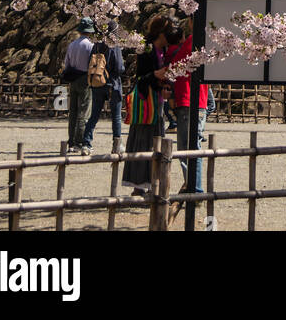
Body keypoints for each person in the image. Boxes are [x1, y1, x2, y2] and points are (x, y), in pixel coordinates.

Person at [121, 15, 173, 196]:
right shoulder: (146, 49)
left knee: (158, 142)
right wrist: (156, 75)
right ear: (161, 32)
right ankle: (139, 185)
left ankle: (154, 184)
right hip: (145, 104)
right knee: (143, 142)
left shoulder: (165, 50)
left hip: (158, 102)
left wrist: (165, 87)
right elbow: (140, 79)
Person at [167, 17, 209, 196]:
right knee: (193, 146)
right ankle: (192, 185)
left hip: (187, 101)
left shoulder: (193, 41)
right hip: (200, 101)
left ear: (192, 21)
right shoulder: (207, 43)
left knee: (187, 148)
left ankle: (194, 187)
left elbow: (174, 66)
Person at [81, 20, 125, 157]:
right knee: (116, 116)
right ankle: (116, 144)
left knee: (94, 114)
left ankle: (86, 143)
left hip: (97, 82)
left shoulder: (97, 45)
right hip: (112, 84)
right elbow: (118, 67)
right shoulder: (114, 45)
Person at [61, 17, 95, 154]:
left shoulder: (72, 45)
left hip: (73, 78)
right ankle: (80, 141)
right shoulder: (90, 46)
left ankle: (71, 141)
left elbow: (67, 64)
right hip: (85, 78)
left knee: (73, 111)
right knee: (84, 111)